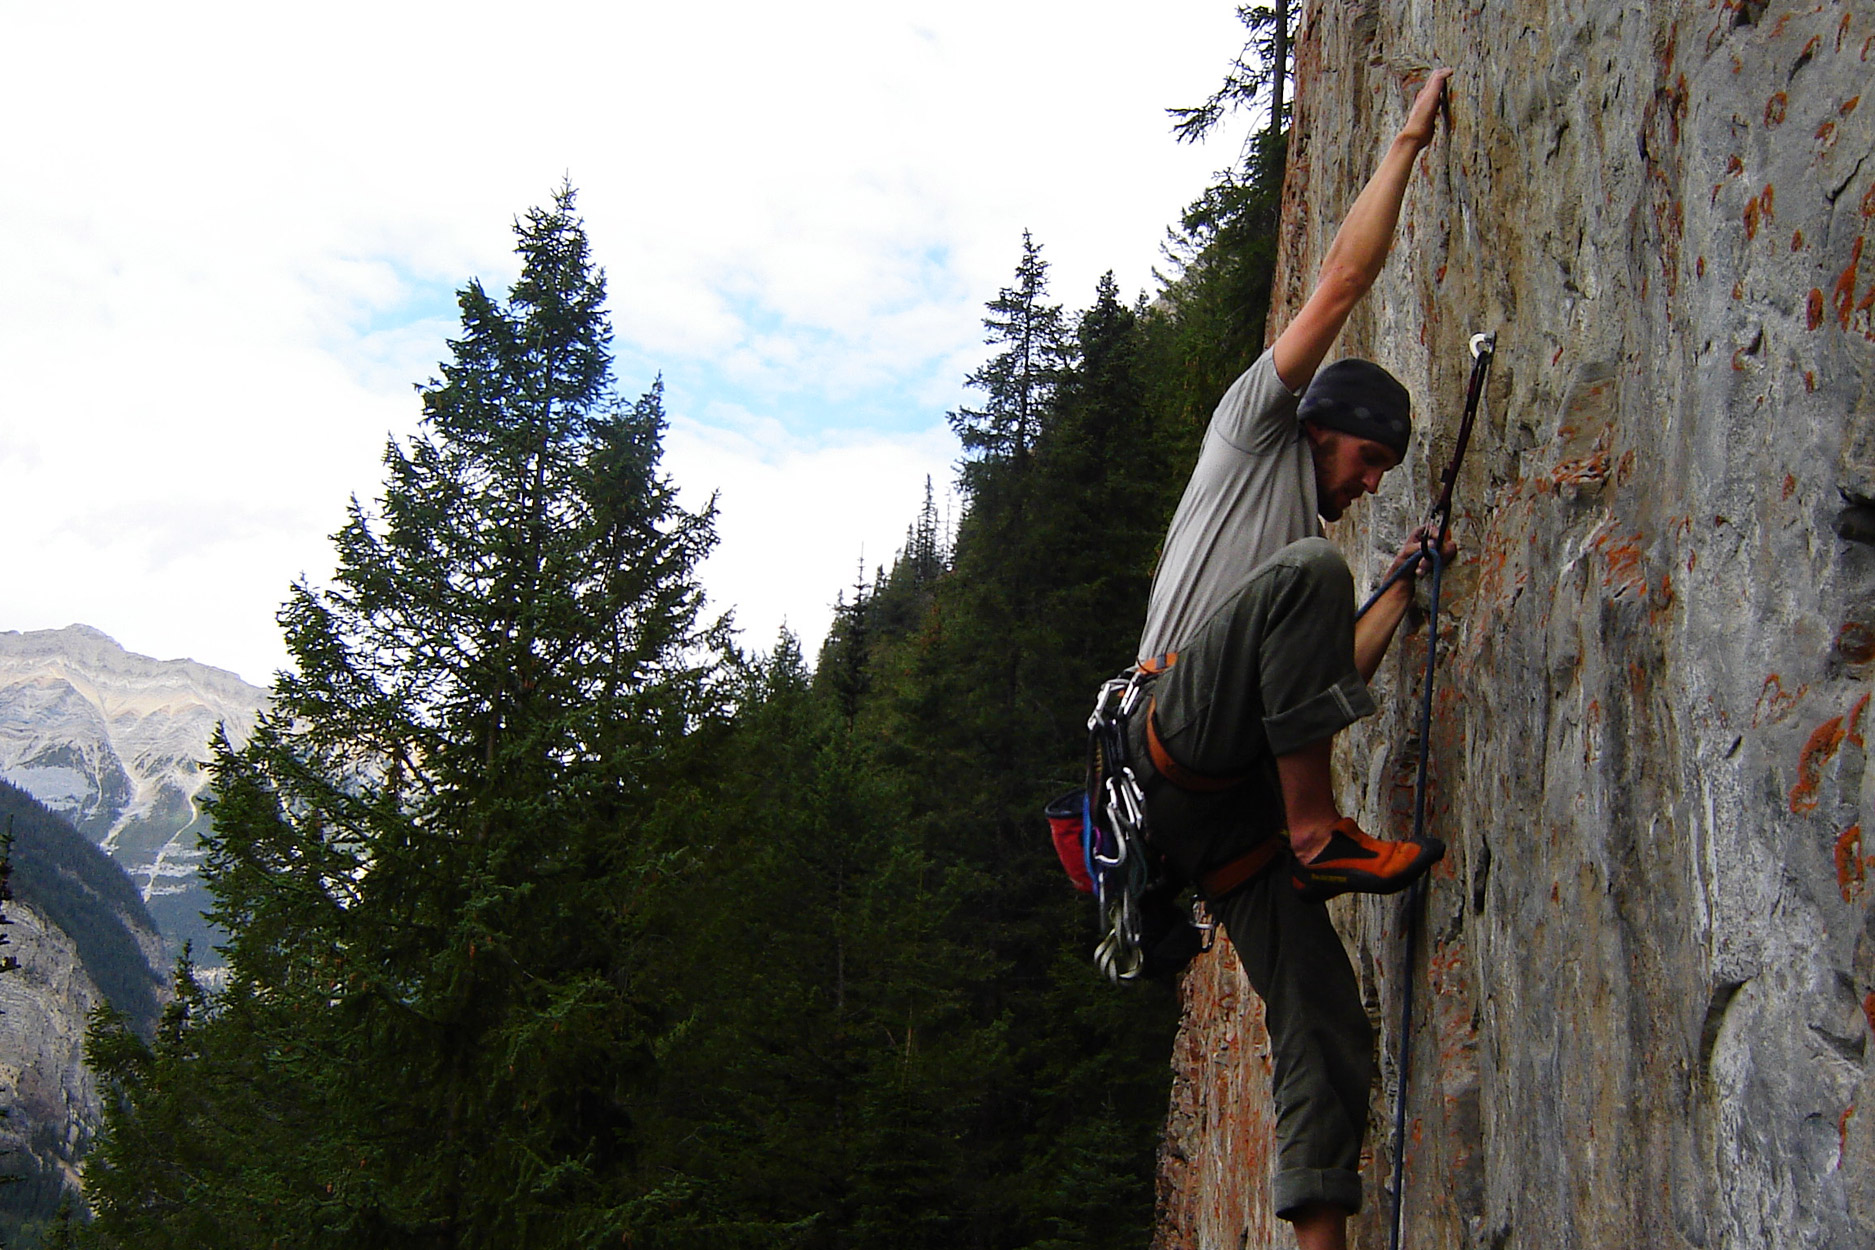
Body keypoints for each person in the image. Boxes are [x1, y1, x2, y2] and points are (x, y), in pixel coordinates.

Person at [1131, 69, 1456, 1250]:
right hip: (1169, 736)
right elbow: (1344, 280)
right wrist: (1405, 143)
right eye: (1371, 461)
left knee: (1324, 1017)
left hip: (1220, 816)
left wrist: (1403, 594)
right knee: (1312, 582)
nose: (1373, 485)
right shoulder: (1251, 428)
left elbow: (1326, 677)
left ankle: (1318, 1242)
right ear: (1330, 422)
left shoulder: (1306, 564)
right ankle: (1322, 834)